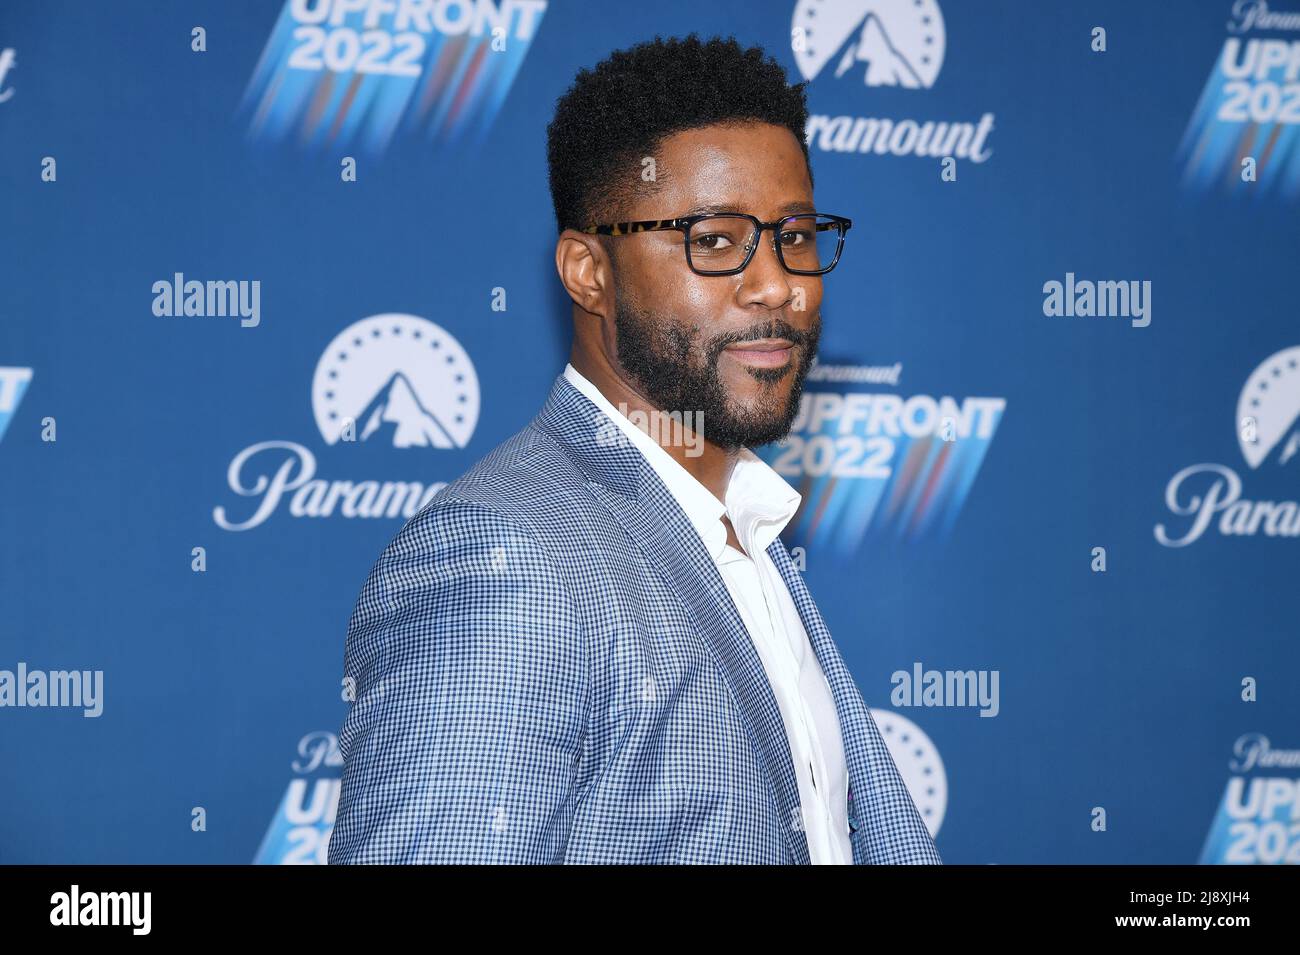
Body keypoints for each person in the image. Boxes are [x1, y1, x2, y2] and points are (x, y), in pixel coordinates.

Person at [328, 33, 941, 865]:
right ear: (588, 272)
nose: (778, 283)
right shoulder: (509, 557)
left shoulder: (747, 533)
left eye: (795, 234)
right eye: (716, 241)